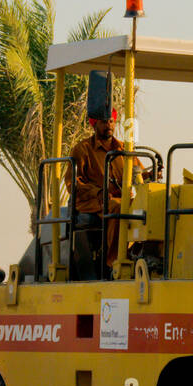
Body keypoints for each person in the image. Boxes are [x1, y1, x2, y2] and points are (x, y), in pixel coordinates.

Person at [69, 110, 143, 270]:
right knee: (118, 208)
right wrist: (98, 192)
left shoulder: (124, 148)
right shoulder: (83, 149)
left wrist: (152, 173)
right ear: (94, 124)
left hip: (120, 198)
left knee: (145, 207)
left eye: (111, 121)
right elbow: (73, 183)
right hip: (92, 201)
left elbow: (139, 172)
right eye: (104, 122)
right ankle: (114, 262)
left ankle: (142, 255)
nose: (108, 125)